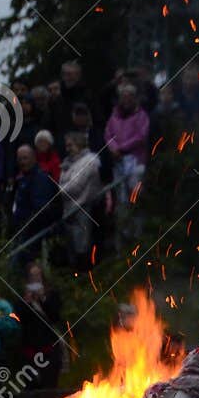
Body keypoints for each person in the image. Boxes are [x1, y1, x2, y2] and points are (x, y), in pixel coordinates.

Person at [59, 131, 105, 268]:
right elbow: (63, 183)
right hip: (69, 209)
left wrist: (58, 189)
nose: (67, 149)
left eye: (70, 145)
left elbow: (75, 186)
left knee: (83, 247)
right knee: (71, 247)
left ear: (79, 144)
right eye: (66, 146)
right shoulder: (67, 163)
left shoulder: (90, 161)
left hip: (84, 207)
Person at [105, 82, 149, 220]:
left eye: (129, 96)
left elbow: (141, 136)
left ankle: (137, 231)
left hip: (136, 160)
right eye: (123, 96)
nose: (126, 99)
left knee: (135, 195)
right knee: (121, 197)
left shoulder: (142, 116)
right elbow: (108, 134)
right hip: (118, 161)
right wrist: (113, 148)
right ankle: (123, 228)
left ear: (135, 98)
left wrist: (121, 147)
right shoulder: (114, 116)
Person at [16, 259, 64, 385]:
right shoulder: (22, 297)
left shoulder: (52, 294)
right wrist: (26, 302)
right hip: (29, 348)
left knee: (50, 383)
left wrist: (43, 299)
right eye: (32, 276)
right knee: (30, 384)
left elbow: (55, 317)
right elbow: (19, 319)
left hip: (49, 347)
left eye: (38, 275)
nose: (36, 278)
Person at [10, 143, 57, 268]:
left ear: (34, 158)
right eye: (19, 159)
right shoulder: (22, 179)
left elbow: (41, 209)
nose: (22, 162)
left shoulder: (40, 179)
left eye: (25, 158)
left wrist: (27, 227)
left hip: (33, 234)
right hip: (20, 231)